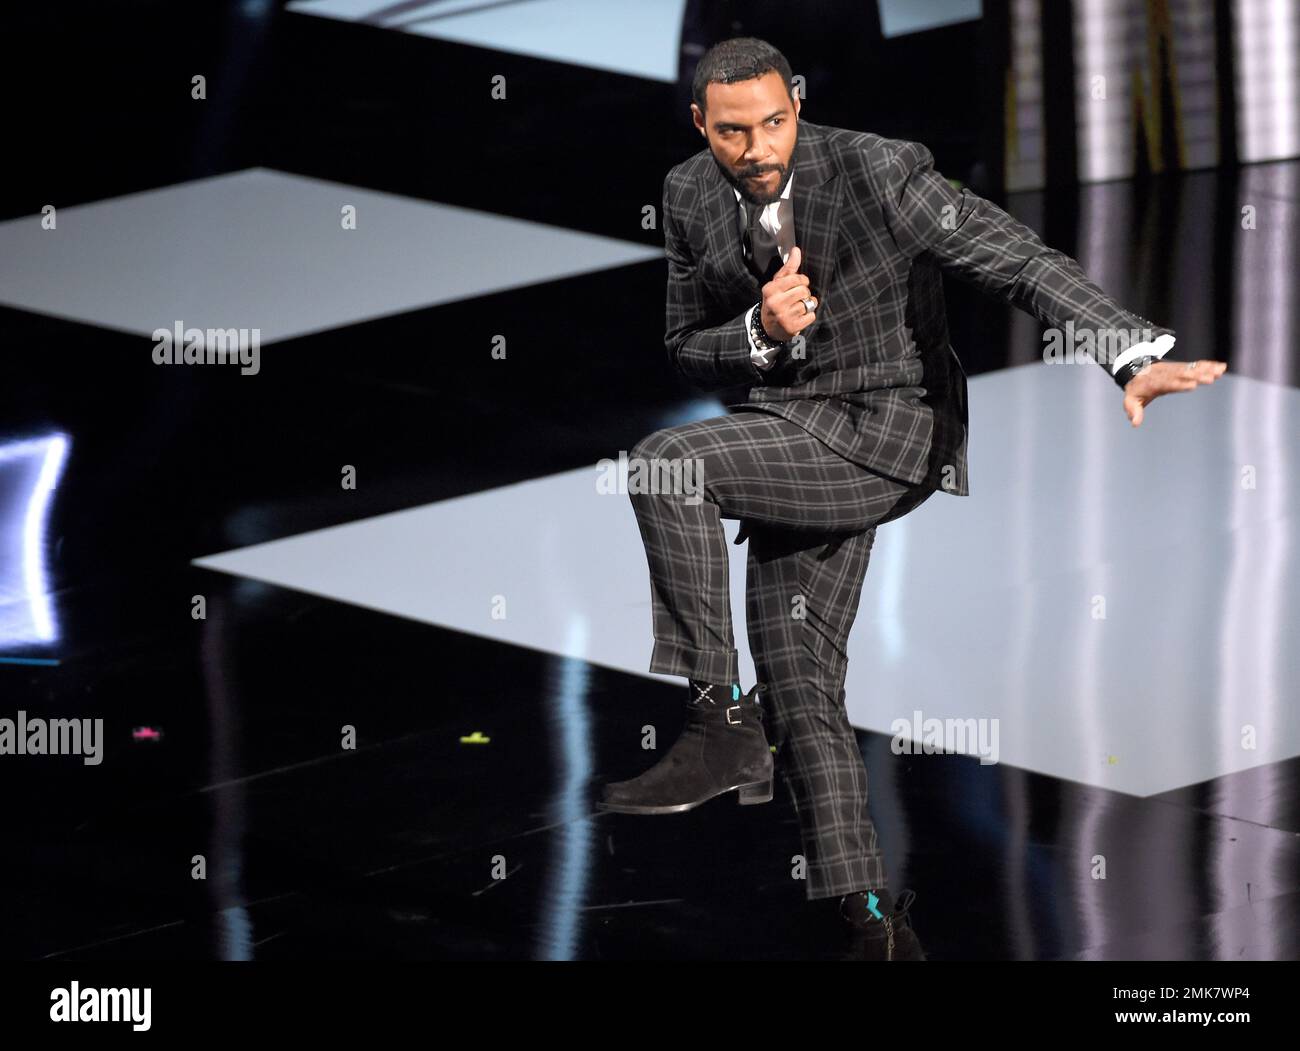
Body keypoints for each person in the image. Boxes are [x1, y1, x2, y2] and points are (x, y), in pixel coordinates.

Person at [596, 36, 1226, 960]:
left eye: (775, 122)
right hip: (787, 430)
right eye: (735, 132)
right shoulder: (689, 193)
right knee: (801, 672)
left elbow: (1013, 257)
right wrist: (756, 332)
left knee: (671, 464)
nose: (760, 146)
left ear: (798, 104)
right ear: (701, 124)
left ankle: (720, 718)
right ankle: (873, 922)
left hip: (889, 429)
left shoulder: (881, 171)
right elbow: (686, 347)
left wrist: (1126, 351)